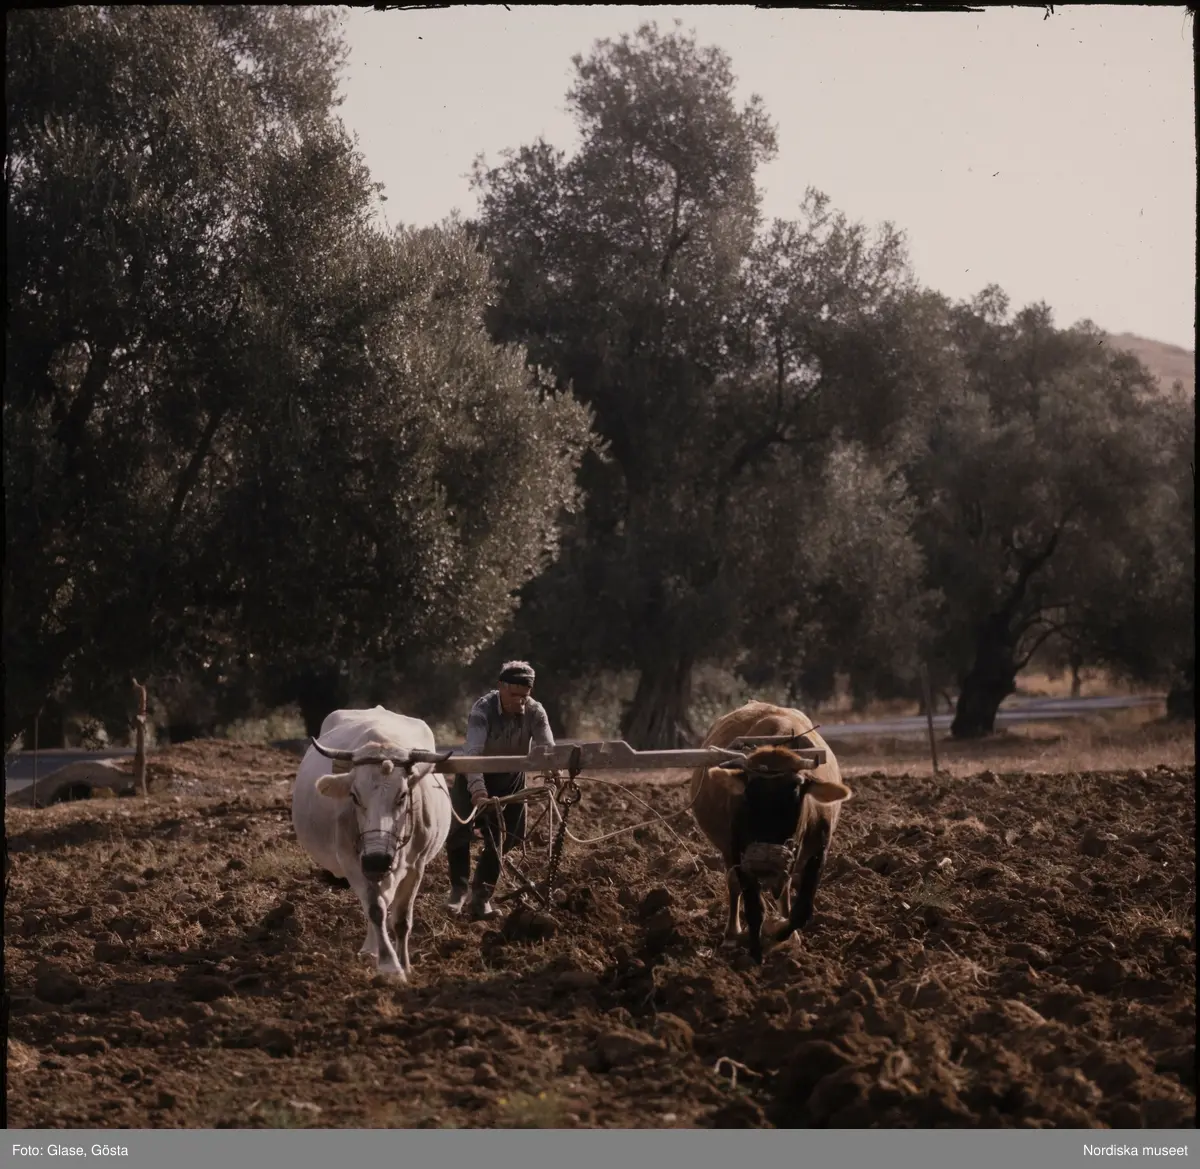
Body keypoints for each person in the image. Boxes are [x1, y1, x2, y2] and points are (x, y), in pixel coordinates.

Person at [445, 660, 557, 920]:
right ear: (500, 687)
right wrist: (478, 790)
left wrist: (554, 770)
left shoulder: (535, 712)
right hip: (474, 776)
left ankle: (481, 896)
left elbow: (547, 747)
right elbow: (472, 753)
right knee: (458, 833)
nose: (519, 701)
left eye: (524, 696)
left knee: (507, 838)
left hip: (512, 780)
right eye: (514, 694)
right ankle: (458, 890)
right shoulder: (482, 711)